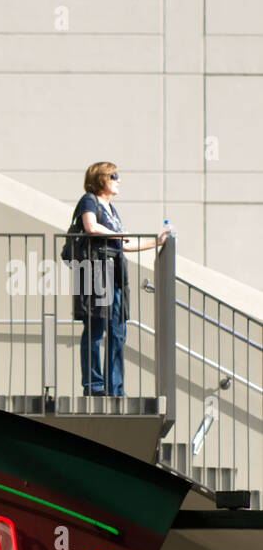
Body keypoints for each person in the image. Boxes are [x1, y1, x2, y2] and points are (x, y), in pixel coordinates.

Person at [71, 162, 169, 397]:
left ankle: (115, 388)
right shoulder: (90, 200)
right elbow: (91, 227)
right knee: (95, 329)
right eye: (114, 176)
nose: (118, 180)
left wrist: (157, 241)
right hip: (95, 271)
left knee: (118, 331)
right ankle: (94, 386)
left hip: (115, 273)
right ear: (101, 178)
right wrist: (119, 235)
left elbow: (124, 244)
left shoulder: (112, 211)